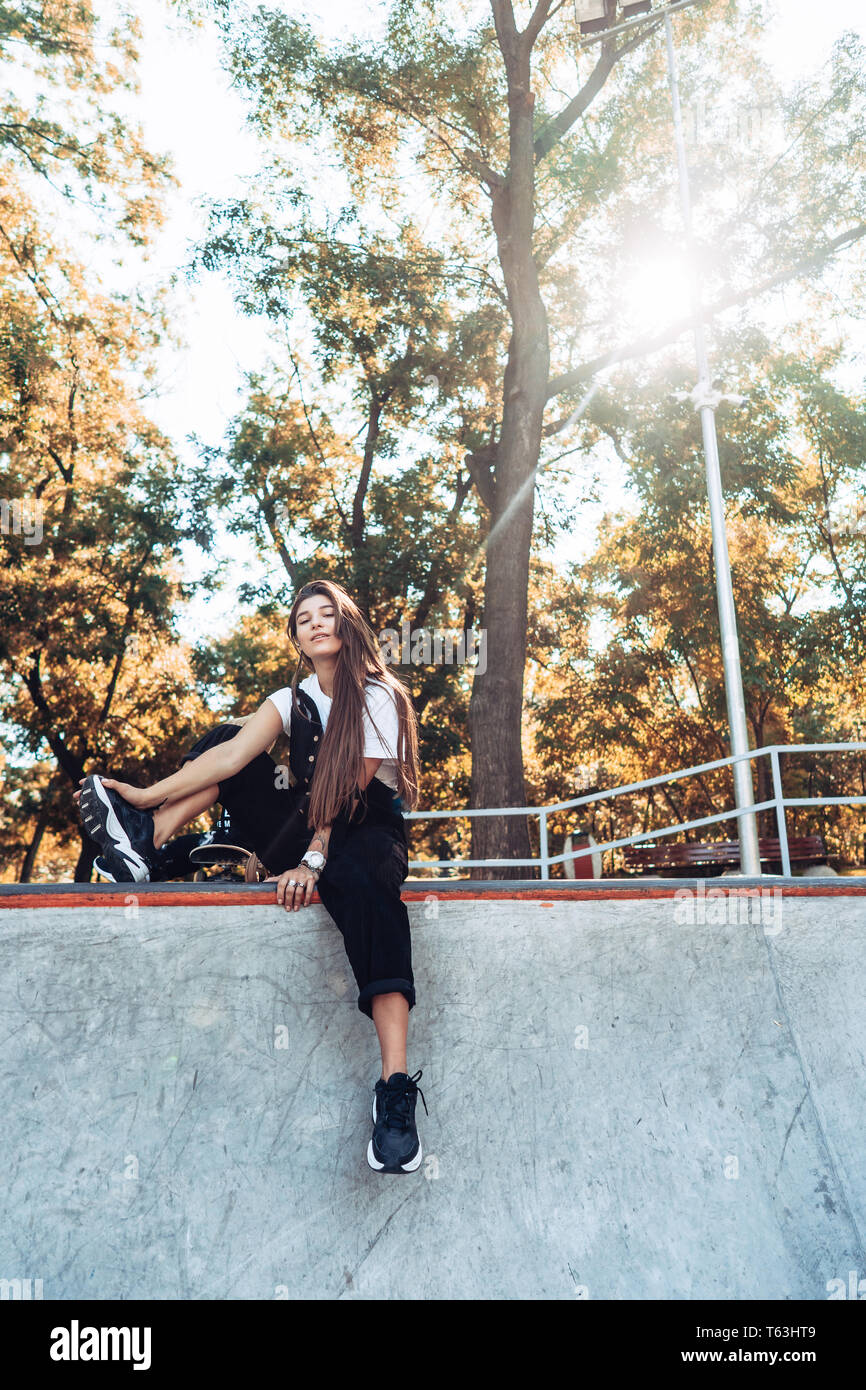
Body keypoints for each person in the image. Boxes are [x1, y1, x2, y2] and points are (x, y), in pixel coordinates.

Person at [75, 579, 427, 1175]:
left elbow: (350, 791)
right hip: (306, 823)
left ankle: (394, 1092)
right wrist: (143, 794)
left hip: (363, 832)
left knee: (368, 887)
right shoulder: (290, 699)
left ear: (347, 623)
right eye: (303, 618)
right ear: (295, 637)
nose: (315, 624)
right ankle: (148, 841)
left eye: (327, 614)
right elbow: (230, 761)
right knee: (225, 737)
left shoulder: (379, 696)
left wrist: (312, 861)